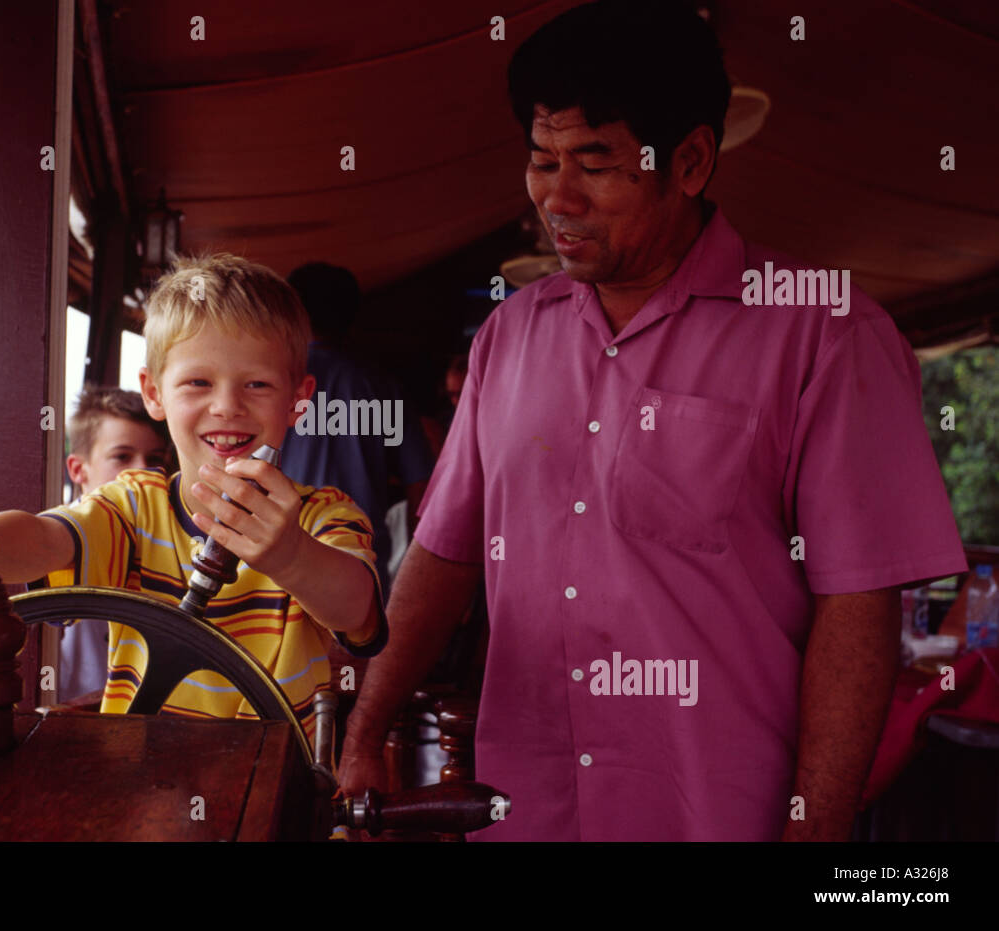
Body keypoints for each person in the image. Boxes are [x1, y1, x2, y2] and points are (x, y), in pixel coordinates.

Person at [339, 0, 967, 841]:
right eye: (541, 159)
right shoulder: (510, 336)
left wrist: (813, 832)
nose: (556, 197)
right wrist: (366, 728)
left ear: (693, 160)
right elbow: (444, 554)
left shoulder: (825, 333)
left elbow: (857, 607)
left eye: (595, 165)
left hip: (721, 812)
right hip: (529, 807)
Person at [0, 253, 387, 740]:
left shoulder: (323, 517)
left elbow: (358, 612)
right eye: (198, 383)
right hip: (141, 797)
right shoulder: (133, 507)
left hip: (277, 807)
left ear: (298, 399)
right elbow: (44, 538)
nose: (227, 406)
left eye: (257, 384)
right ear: (153, 394)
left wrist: (289, 554)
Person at [280, 262, 433, 594]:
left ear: (292, 311)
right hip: (361, 559)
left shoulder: (272, 380)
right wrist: (414, 565)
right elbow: (420, 485)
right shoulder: (382, 387)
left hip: (278, 554)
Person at [53, 385, 172, 703]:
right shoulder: (61, 549)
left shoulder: (175, 554)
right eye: (122, 457)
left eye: (154, 459)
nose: (141, 471)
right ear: (78, 470)